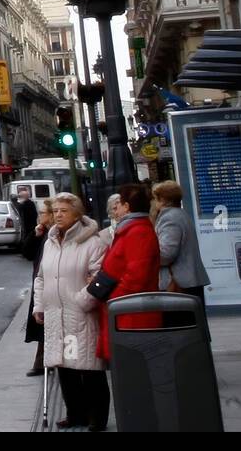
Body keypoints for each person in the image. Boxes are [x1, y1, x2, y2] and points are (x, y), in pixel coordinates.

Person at [33, 192, 108, 431]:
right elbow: (41, 277)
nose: (58, 215)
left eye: (63, 211)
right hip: (56, 313)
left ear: (77, 213)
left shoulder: (92, 242)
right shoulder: (50, 241)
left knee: (87, 366)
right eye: (55, 211)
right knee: (65, 366)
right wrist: (39, 305)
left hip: (80, 314)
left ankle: (97, 417)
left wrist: (82, 301)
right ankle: (76, 413)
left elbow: (98, 277)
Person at [96, 183, 163, 366]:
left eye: (119, 205)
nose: (115, 211)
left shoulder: (137, 232)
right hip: (126, 310)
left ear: (127, 206)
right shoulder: (130, 229)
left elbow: (136, 277)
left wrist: (113, 298)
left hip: (131, 313)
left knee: (132, 369)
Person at [151, 180, 209, 324]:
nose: (154, 202)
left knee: (179, 329)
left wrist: (149, 257)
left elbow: (167, 253)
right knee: (193, 329)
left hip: (179, 284)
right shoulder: (181, 214)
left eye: (156, 198)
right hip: (188, 282)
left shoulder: (169, 219)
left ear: (163, 200)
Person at [21, 198, 54, 377]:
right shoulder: (43, 232)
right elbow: (26, 253)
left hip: (49, 284)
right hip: (40, 282)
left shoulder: (55, 234)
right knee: (42, 324)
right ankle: (42, 362)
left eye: (42, 213)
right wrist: (35, 234)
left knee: (47, 325)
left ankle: (43, 362)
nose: (39, 215)